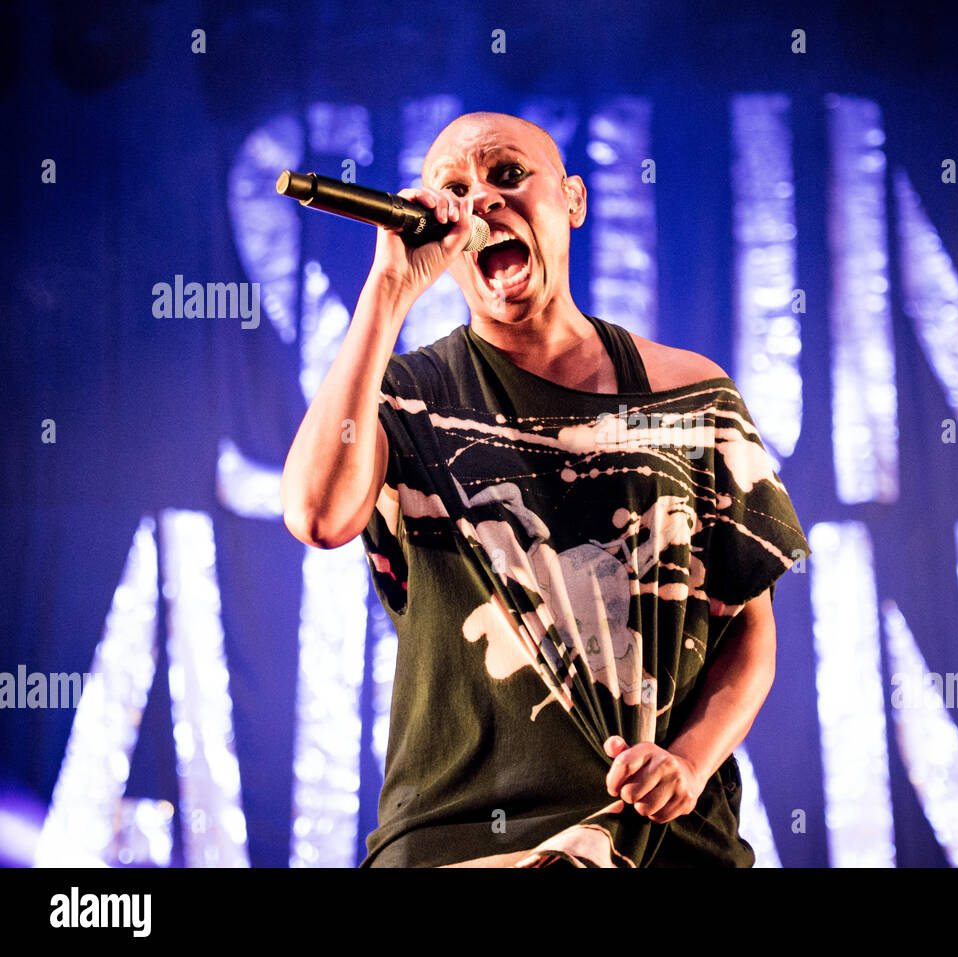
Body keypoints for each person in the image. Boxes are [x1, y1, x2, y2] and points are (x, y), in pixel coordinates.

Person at [281, 111, 808, 867]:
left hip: (660, 842)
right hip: (456, 839)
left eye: (506, 176)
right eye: (454, 189)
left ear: (573, 200)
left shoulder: (690, 395)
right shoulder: (400, 399)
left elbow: (749, 629)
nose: (482, 201)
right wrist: (390, 289)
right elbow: (318, 514)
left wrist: (688, 763)